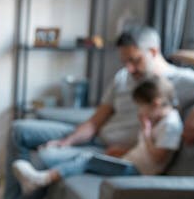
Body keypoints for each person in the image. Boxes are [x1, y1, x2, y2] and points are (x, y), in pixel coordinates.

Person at [3, 25, 194, 199]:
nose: (129, 68)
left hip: (116, 151)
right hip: (95, 135)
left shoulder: (180, 81)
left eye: (135, 61)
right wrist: (66, 141)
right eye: (125, 61)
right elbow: (96, 120)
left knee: (48, 158)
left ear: (153, 51)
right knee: (20, 130)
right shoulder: (123, 76)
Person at [11, 76, 183, 191]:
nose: (139, 111)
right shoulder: (158, 121)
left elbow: (159, 157)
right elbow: (144, 151)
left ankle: (41, 179)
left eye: (141, 106)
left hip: (138, 173)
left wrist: (146, 133)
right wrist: (122, 152)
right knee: (84, 159)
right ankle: (38, 180)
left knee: (87, 159)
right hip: (131, 164)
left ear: (156, 103)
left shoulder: (171, 125)